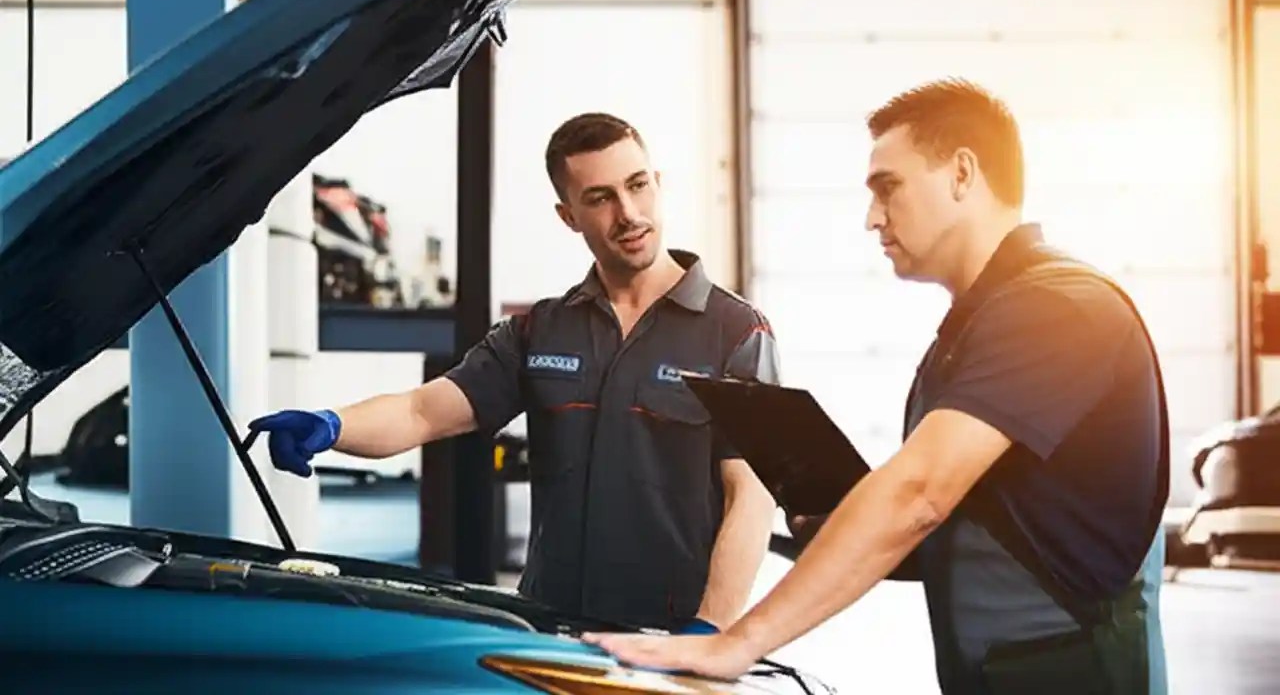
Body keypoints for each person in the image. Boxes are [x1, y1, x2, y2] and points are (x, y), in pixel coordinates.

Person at [585, 79, 1170, 694]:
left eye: (887, 188)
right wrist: (836, 521)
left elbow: (920, 495)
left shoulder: (1059, 308)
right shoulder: (975, 330)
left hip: (1078, 677)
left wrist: (739, 642)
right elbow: (986, 533)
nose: (872, 218)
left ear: (962, 174)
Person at [250, 112, 780, 634]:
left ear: (658, 184)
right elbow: (421, 411)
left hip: (669, 638)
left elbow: (751, 496)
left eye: (638, 186)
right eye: (599, 198)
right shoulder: (542, 331)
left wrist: (711, 630)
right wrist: (332, 425)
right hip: (549, 633)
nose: (628, 213)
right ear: (568, 215)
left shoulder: (735, 332)